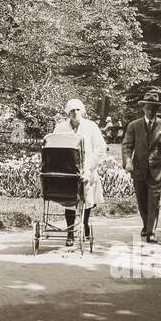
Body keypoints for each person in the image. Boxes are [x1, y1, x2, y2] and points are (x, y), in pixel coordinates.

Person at [121, 90, 161, 243]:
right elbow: (127, 146)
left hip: (157, 170)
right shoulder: (134, 126)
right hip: (138, 169)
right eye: (148, 107)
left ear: (157, 109)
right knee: (142, 201)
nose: (150, 111)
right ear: (143, 108)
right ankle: (146, 224)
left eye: (154, 108)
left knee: (154, 201)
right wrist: (128, 161)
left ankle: (152, 231)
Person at [53, 99, 107, 246]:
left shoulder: (91, 126)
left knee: (87, 198)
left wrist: (90, 166)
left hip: (87, 167)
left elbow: (100, 148)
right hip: (68, 168)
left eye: (77, 110)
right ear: (67, 112)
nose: (75, 113)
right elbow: (54, 146)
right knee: (70, 200)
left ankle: (85, 225)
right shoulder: (61, 127)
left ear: (82, 111)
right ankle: (70, 232)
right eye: (72, 110)